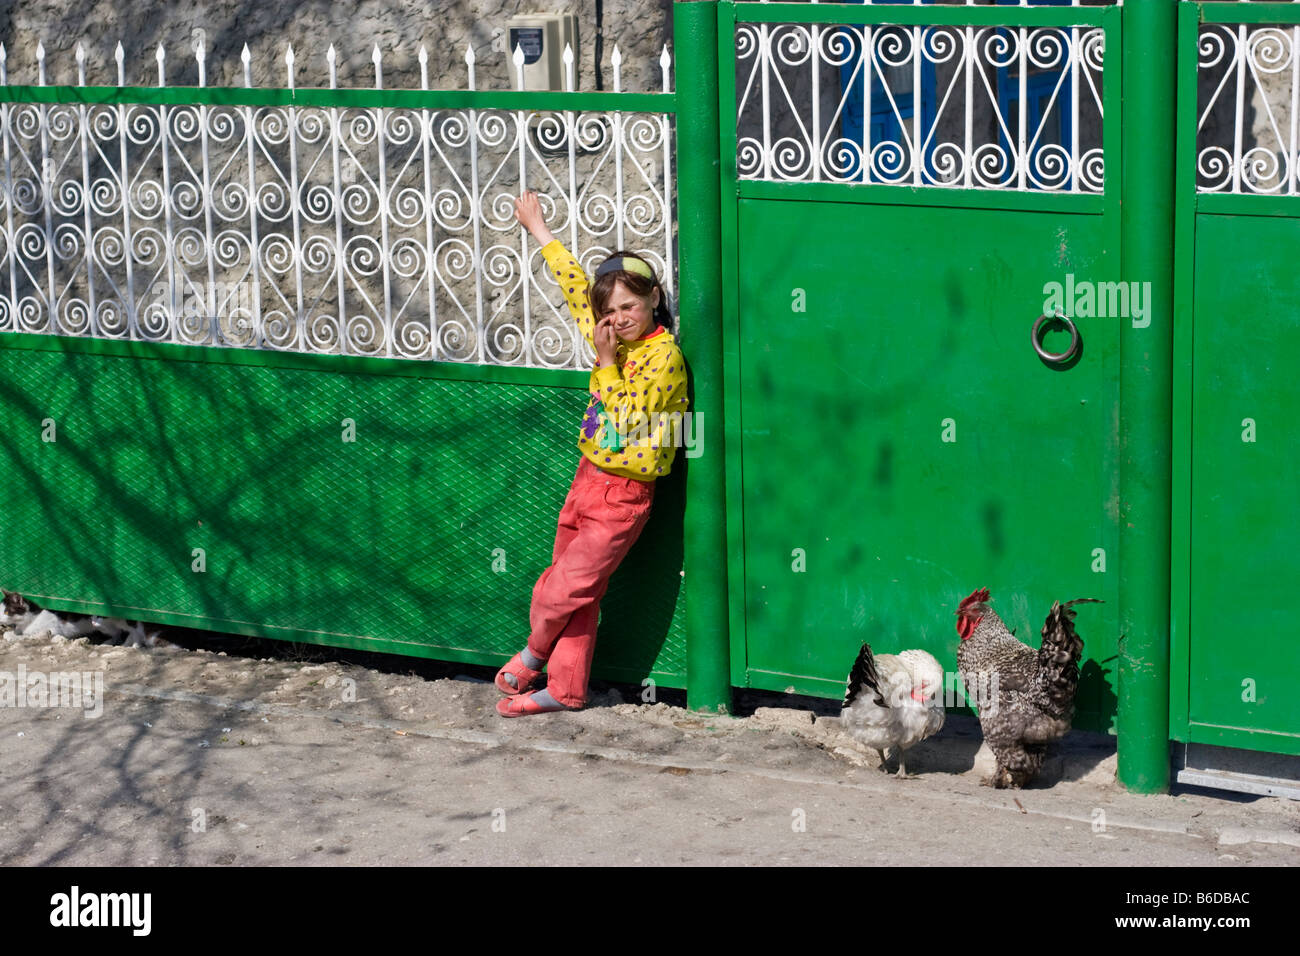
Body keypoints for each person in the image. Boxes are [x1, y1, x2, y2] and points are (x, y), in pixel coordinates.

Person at [495, 189, 689, 717]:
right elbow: (576, 288)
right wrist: (538, 229)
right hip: (587, 479)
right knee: (578, 596)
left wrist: (604, 362)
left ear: (653, 299)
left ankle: (534, 656)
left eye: (630, 305)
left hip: (624, 493)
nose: (619, 318)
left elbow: (628, 421)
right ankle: (566, 690)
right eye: (611, 310)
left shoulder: (662, 356)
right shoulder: (611, 335)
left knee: (558, 592)